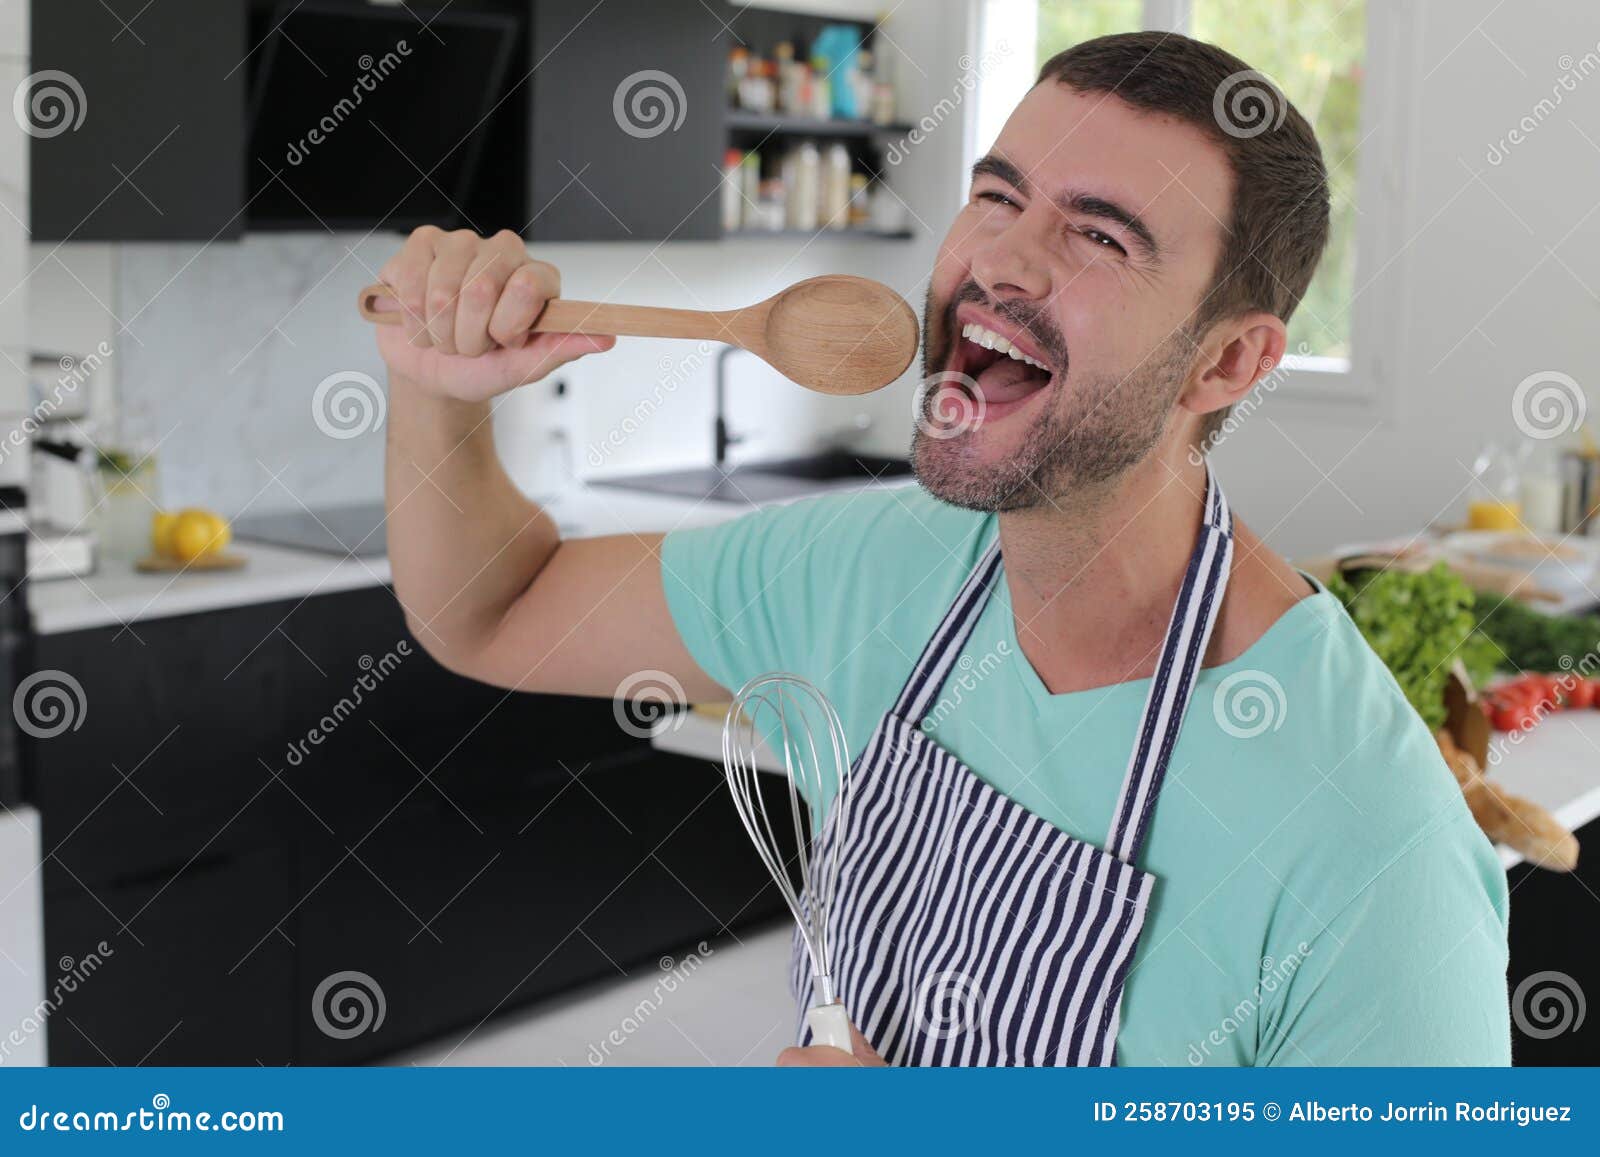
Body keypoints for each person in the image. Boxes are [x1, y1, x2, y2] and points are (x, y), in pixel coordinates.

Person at [372, 31, 1510, 1066]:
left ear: (1225, 365)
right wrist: (437, 396)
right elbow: (494, 608)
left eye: (1099, 235)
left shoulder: (1374, 846)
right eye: (996, 196)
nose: (1002, 260)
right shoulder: (868, 569)